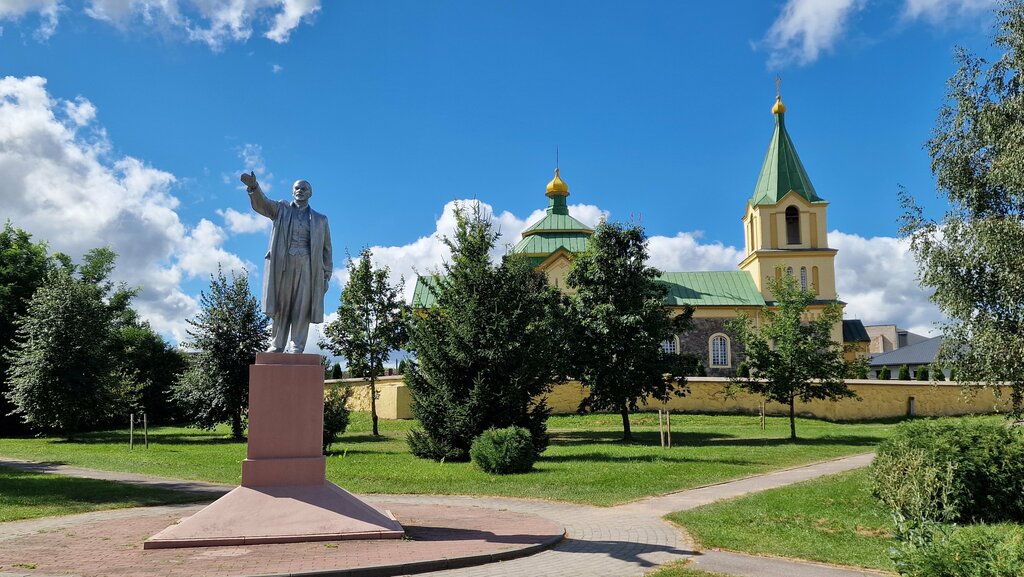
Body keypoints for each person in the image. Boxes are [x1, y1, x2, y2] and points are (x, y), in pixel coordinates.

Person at [241, 172, 333, 353]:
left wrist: (326, 274)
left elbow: (327, 248)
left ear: (310, 193)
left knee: (302, 305)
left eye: (304, 189)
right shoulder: (281, 210)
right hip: (284, 264)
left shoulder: (320, 220)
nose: (300, 191)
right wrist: (253, 187)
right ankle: (277, 344)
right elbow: (263, 204)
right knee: (282, 304)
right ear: (292, 192)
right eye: (297, 188)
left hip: (308, 266)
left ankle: (297, 345)